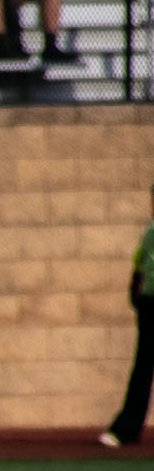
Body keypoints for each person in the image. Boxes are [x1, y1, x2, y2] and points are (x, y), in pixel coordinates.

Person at [100, 183, 154, 449]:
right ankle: (127, 427)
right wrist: (135, 289)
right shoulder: (150, 232)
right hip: (150, 304)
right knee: (143, 366)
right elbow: (140, 262)